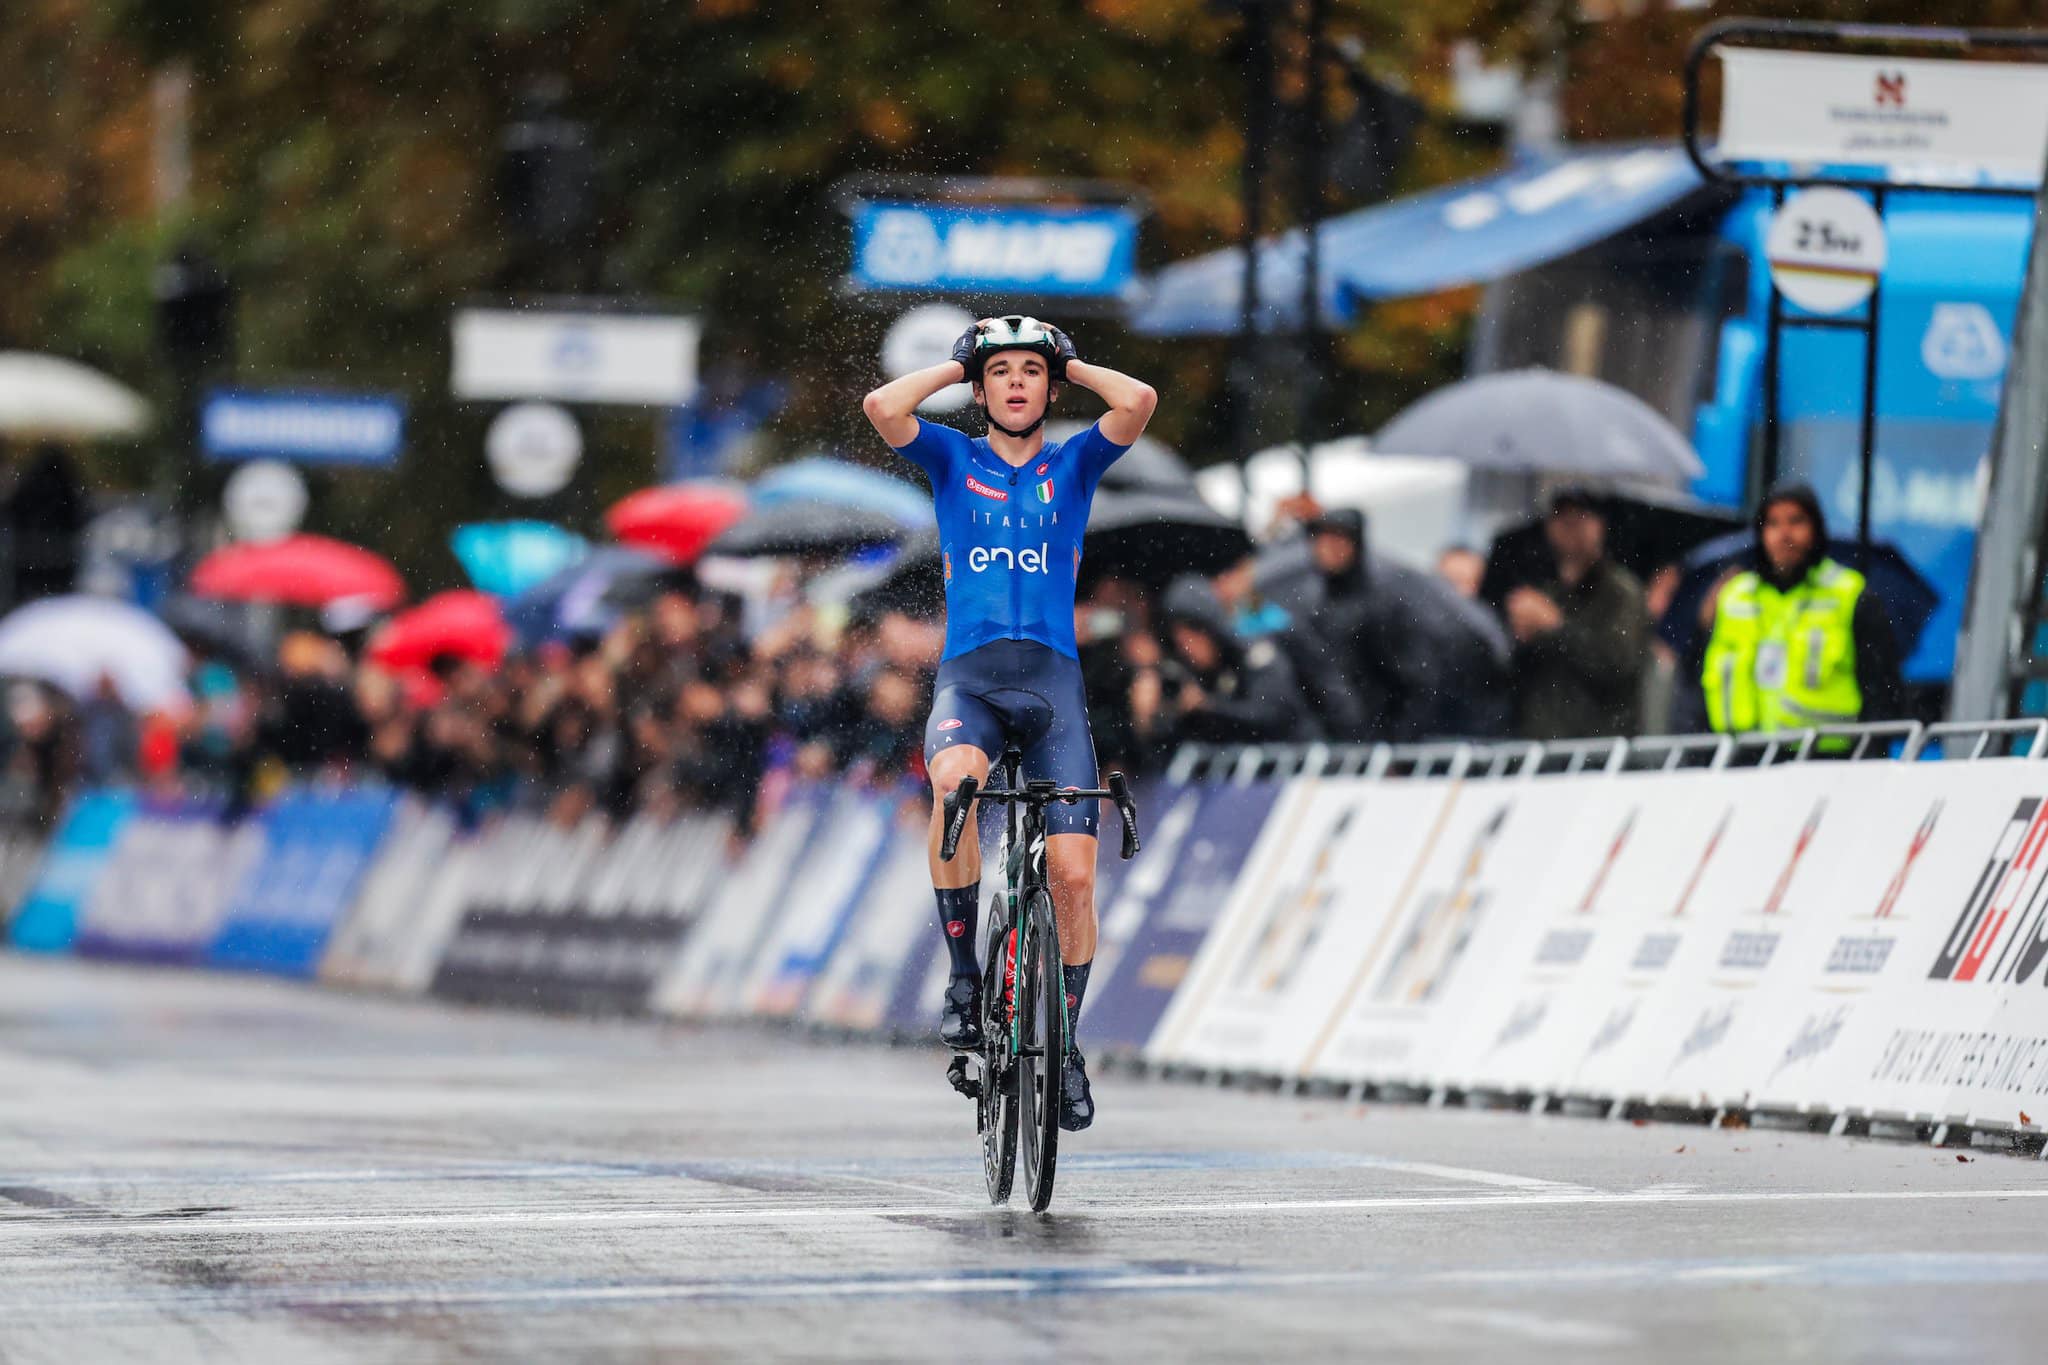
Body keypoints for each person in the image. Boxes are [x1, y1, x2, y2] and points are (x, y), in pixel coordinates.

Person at [862, 314, 1156, 1132]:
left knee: (1071, 874)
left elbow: (1137, 402)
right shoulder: (955, 458)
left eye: (1032, 371)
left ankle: (1062, 1048)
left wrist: (1074, 362)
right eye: (1003, 373)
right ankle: (964, 976)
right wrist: (954, 370)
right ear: (984, 388)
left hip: (1054, 691)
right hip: (974, 686)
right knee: (955, 787)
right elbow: (885, 407)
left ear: (1049, 384)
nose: (1018, 383)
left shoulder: (1074, 461)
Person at [1701, 482, 1903, 734]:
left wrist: (1871, 757)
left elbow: (1880, 690)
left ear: (1816, 529)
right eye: (1772, 523)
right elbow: (1702, 685)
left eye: (1796, 521)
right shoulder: (1734, 596)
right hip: (1744, 759)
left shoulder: (1849, 594)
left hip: (1825, 758)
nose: (1784, 533)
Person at [1503, 488, 1649, 741]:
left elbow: (1618, 662)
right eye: (1561, 519)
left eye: (1580, 518)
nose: (1570, 528)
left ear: (1599, 526)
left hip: (1598, 748)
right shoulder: (1547, 591)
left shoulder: (1621, 592)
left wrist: (1555, 628)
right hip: (1542, 745)